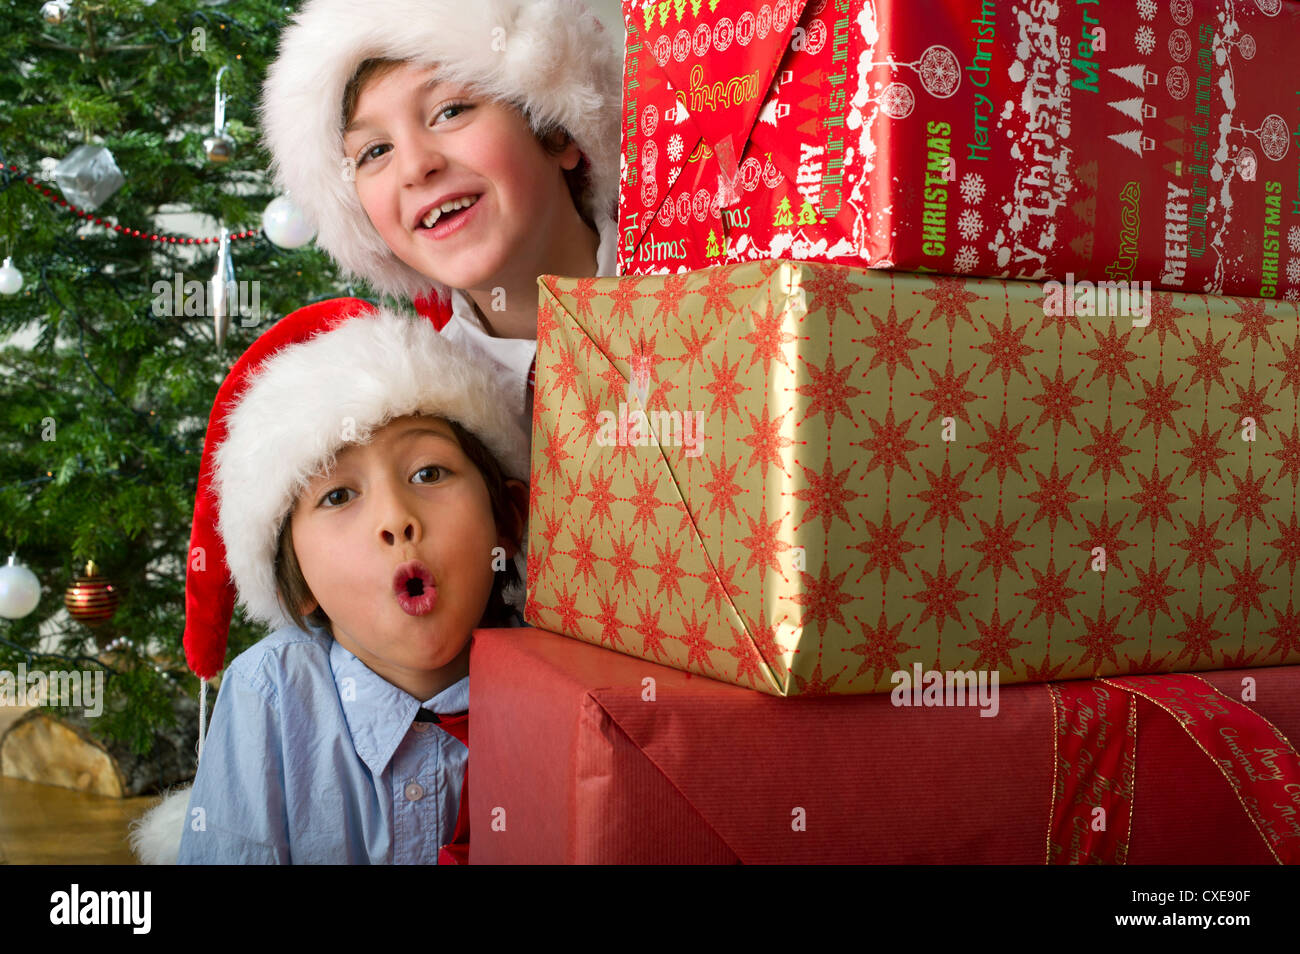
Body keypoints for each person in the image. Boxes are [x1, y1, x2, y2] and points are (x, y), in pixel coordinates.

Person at [129, 301, 530, 864]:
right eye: (338, 495)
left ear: (507, 520)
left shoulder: (558, 679)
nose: (395, 518)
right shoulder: (266, 695)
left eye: (429, 472)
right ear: (299, 584)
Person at [257, 0, 623, 441]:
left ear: (557, 129)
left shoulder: (712, 284)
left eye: (450, 111)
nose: (415, 167)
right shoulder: (422, 426)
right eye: (375, 152)